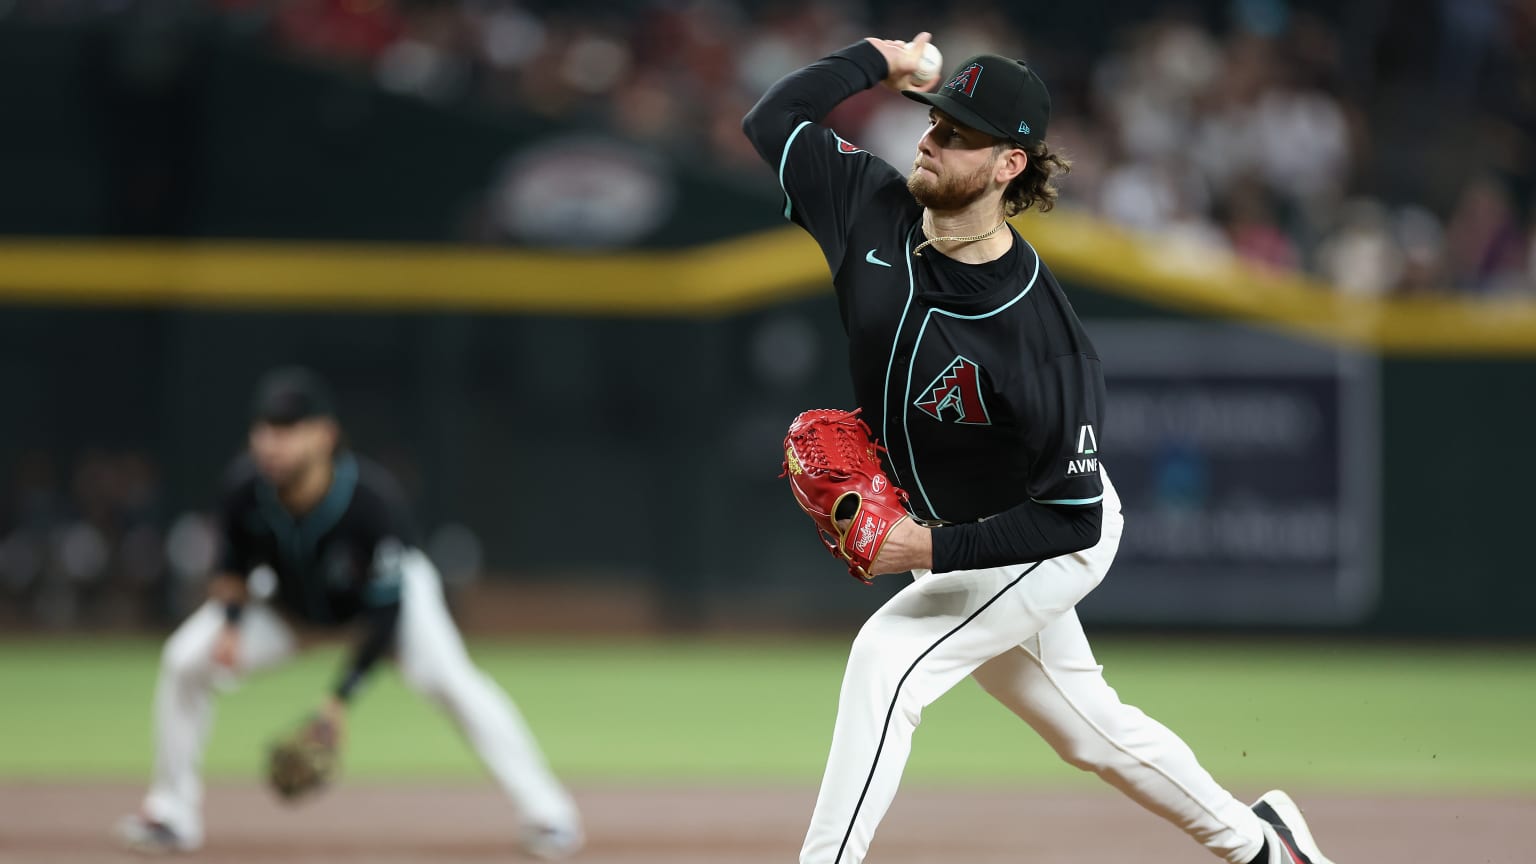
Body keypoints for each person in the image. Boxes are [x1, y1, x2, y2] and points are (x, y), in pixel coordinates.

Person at [742, 33, 1338, 864]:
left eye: (957, 133)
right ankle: (1263, 845)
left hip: (1038, 538)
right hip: (959, 535)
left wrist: (928, 548)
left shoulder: (1041, 337)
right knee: (1091, 733)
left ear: (1008, 166)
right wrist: (882, 59)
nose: (930, 139)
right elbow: (774, 116)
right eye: (933, 122)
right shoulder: (866, 204)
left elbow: (1072, 519)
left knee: (888, 662)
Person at [114, 367, 582, 858]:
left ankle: (549, 814)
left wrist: (338, 700)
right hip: (292, 608)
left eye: (287, 430)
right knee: (185, 658)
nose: (271, 443)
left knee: (449, 680)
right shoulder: (243, 489)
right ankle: (171, 813)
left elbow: (386, 615)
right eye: (264, 429)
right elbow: (232, 567)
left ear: (324, 435)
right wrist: (229, 627)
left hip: (386, 607)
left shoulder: (371, 502)